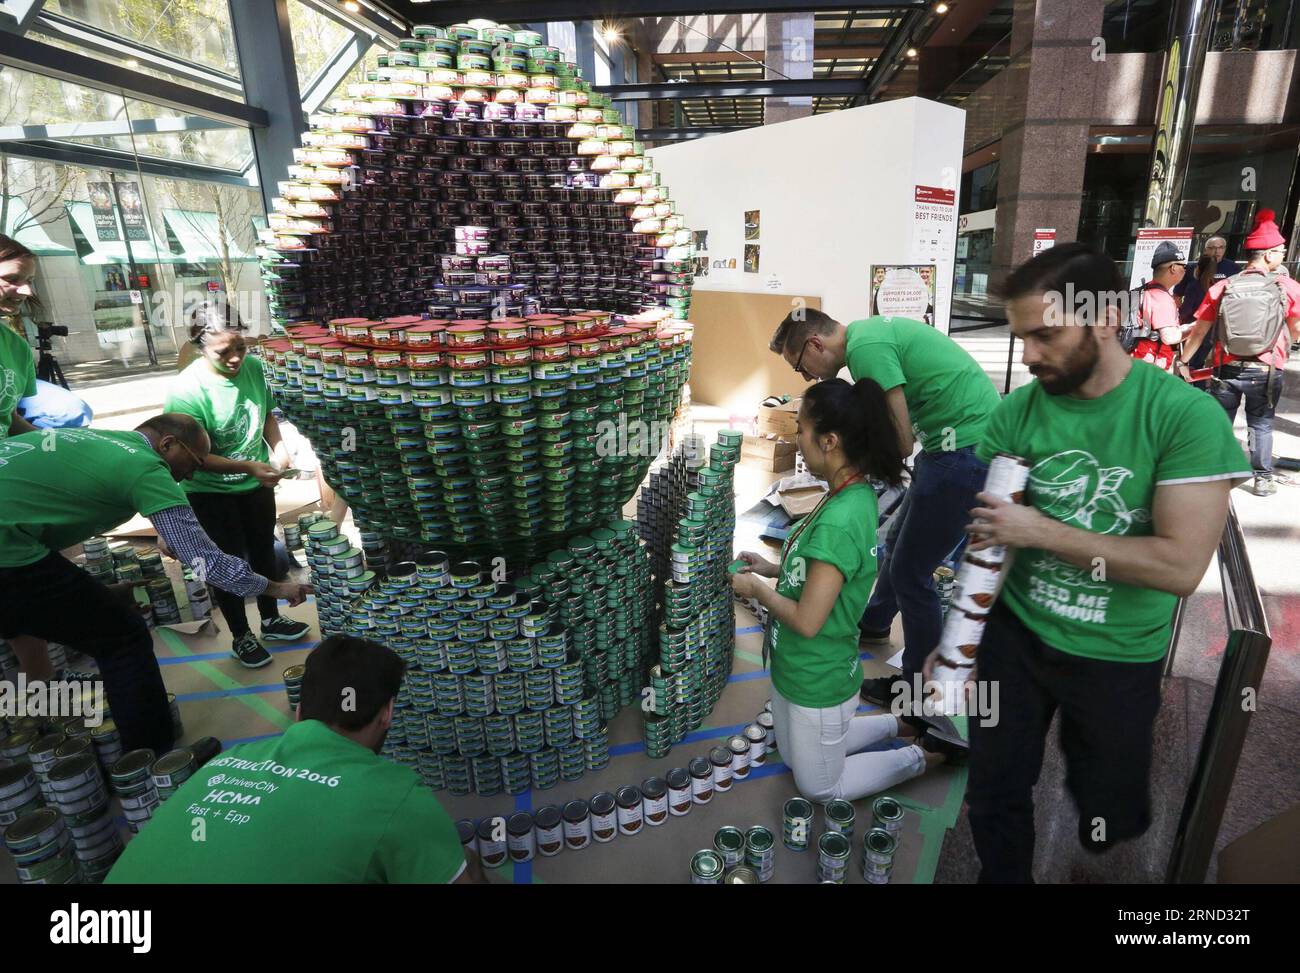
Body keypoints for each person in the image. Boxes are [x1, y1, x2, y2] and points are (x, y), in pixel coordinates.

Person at [940, 243, 1250, 883]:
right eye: (1022, 335)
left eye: (1045, 335)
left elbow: (1179, 568)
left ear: (1105, 318)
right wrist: (954, 649)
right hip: (1015, 641)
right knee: (995, 788)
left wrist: (1042, 530)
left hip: (1114, 654)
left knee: (1108, 810)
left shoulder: (1183, 418)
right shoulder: (1020, 411)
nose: (1027, 354)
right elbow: (990, 540)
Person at [0, 414, 310, 754]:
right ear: (167, 445)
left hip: (15, 538)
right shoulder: (149, 469)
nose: (192, 473)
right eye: (195, 462)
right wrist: (279, 588)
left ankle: (40, 714)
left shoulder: (101, 440)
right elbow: (210, 564)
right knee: (123, 639)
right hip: (8, 549)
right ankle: (151, 756)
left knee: (22, 622)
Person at [731, 378, 965, 805]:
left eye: (801, 428)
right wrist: (773, 567)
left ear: (831, 439)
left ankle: (924, 755)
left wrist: (757, 589)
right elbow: (823, 573)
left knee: (819, 786)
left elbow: (807, 619)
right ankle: (903, 724)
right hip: (796, 667)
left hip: (818, 676)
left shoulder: (841, 518)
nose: (796, 437)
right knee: (793, 750)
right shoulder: (846, 492)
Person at [107, 636, 484, 884]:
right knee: (459, 859)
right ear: (387, 712)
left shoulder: (226, 763)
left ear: (300, 708)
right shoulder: (396, 798)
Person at [769, 308, 1000, 708]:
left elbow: (901, 443)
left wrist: (846, 471)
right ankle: (875, 624)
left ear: (815, 344)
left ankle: (919, 694)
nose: (806, 377)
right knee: (896, 541)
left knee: (913, 575)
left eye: (801, 367)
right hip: (949, 446)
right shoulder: (867, 338)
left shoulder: (867, 349)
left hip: (965, 453)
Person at [165, 301, 308, 667]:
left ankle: (271, 618)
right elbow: (192, 457)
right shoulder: (186, 390)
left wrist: (280, 451)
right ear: (200, 347)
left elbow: (267, 419)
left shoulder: (255, 369)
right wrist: (248, 466)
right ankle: (241, 635)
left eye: (240, 348)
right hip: (211, 492)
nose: (235, 358)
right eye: (223, 352)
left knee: (263, 551)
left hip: (254, 484)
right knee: (226, 563)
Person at [1178, 208, 1300, 497]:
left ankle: (1213, 474)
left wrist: (1182, 361)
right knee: (1261, 423)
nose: (1282, 255)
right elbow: (1296, 331)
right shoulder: (1288, 287)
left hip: (1225, 367)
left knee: (1221, 422)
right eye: (1281, 251)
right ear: (1268, 254)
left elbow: (1200, 331)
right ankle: (1262, 478)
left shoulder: (1223, 286)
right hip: (1267, 369)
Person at [0, 235, 39, 441]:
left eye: (30, 281)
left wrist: (56, 444)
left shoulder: (18, 347)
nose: (27, 291)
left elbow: (9, 418)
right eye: (11, 279)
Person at [1129, 240, 1187, 374]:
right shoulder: (1161, 298)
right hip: (1151, 370)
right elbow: (1169, 337)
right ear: (1173, 268)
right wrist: (1197, 328)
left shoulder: (1142, 290)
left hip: (1135, 361)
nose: (1185, 271)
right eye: (1184, 267)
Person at [1173, 234, 1239, 325]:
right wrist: (1181, 315)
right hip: (1193, 321)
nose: (1217, 251)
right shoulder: (1192, 268)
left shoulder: (1233, 268)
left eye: (1221, 247)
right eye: (1212, 248)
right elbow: (1177, 295)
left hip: (1221, 320)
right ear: (1205, 250)